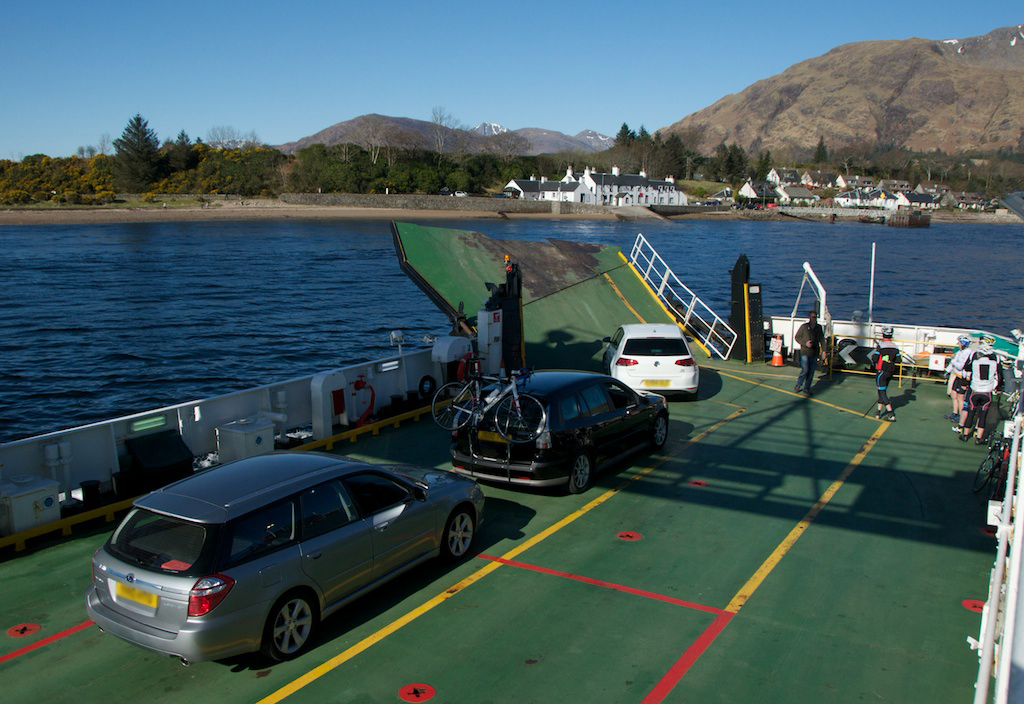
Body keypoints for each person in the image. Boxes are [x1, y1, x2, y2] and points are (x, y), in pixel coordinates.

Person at [960, 335, 1002, 444]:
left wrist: (964, 382)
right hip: (987, 391)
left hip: (975, 389)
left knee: (971, 412)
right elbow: (1000, 375)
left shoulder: (975, 360)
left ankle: (965, 435)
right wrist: (998, 387)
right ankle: (979, 438)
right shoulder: (995, 360)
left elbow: (965, 369)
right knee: (983, 415)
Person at [870, 327, 900, 421]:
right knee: (881, 390)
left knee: (882, 392)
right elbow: (899, 360)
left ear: (883, 335)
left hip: (881, 371)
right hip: (891, 371)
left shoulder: (881, 345)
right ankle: (878, 411)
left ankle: (891, 413)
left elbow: (875, 358)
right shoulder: (895, 346)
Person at [794, 310, 825, 395]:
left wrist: (824, 351)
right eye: (813, 317)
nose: (814, 319)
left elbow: (822, 340)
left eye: (815, 317)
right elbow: (797, 337)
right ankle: (798, 384)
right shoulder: (804, 327)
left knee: (811, 372)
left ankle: (806, 388)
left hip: (814, 352)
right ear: (809, 317)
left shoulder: (818, 328)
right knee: (805, 370)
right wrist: (805, 343)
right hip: (805, 352)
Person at [946, 335, 973, 427]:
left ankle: (961, 416)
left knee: (960, 398)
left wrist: (953, 361)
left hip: (963, 378)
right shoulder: (960, 352)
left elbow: (960, 366)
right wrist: (948, 370)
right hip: (957, 376)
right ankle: (955, 413)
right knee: (954, 394)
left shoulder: (968, 353)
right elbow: (954, 362)